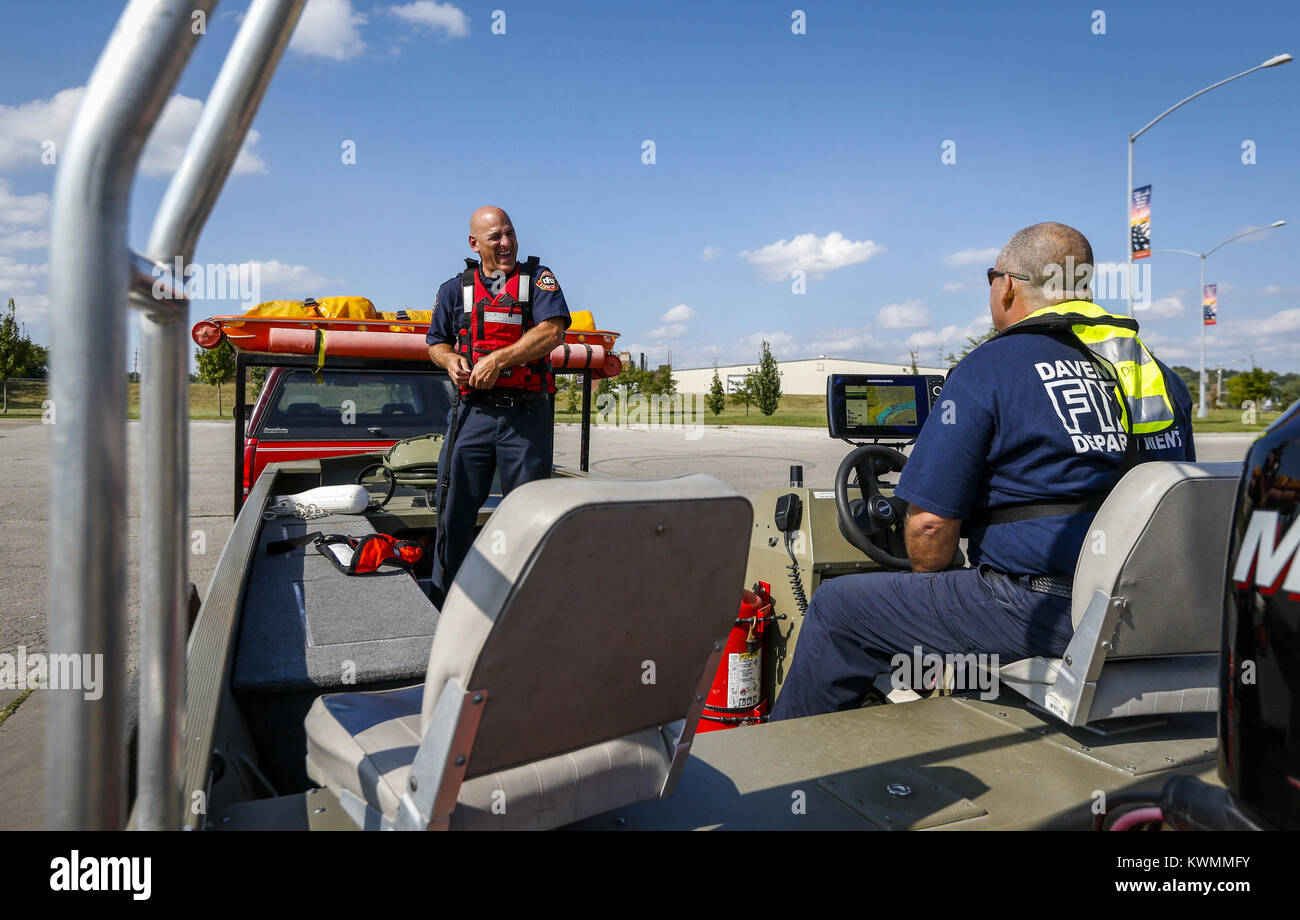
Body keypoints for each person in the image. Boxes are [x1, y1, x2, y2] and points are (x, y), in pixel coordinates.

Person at [769, 221, 1195, 721]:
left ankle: (785, 782)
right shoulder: (1155, 374)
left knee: (839, 609)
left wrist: (930, 577)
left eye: (991, 278)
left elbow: (929, 525)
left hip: (1043, 609)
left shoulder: (991, 367)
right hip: (1151, 608)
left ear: (1008, 284)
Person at [426, 206, 569, 605]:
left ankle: (525, 608)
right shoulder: (454, 289)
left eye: (510, 233)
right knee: (452, 513)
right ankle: (447, 604)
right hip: (472, 416)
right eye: (495, 237)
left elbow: (553, 331)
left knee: (529, 519)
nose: (505, 243)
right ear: (475, 243)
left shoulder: (538, 280)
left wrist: (500, 359)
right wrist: (450, 360)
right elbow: (435, 343)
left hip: (526, 417)